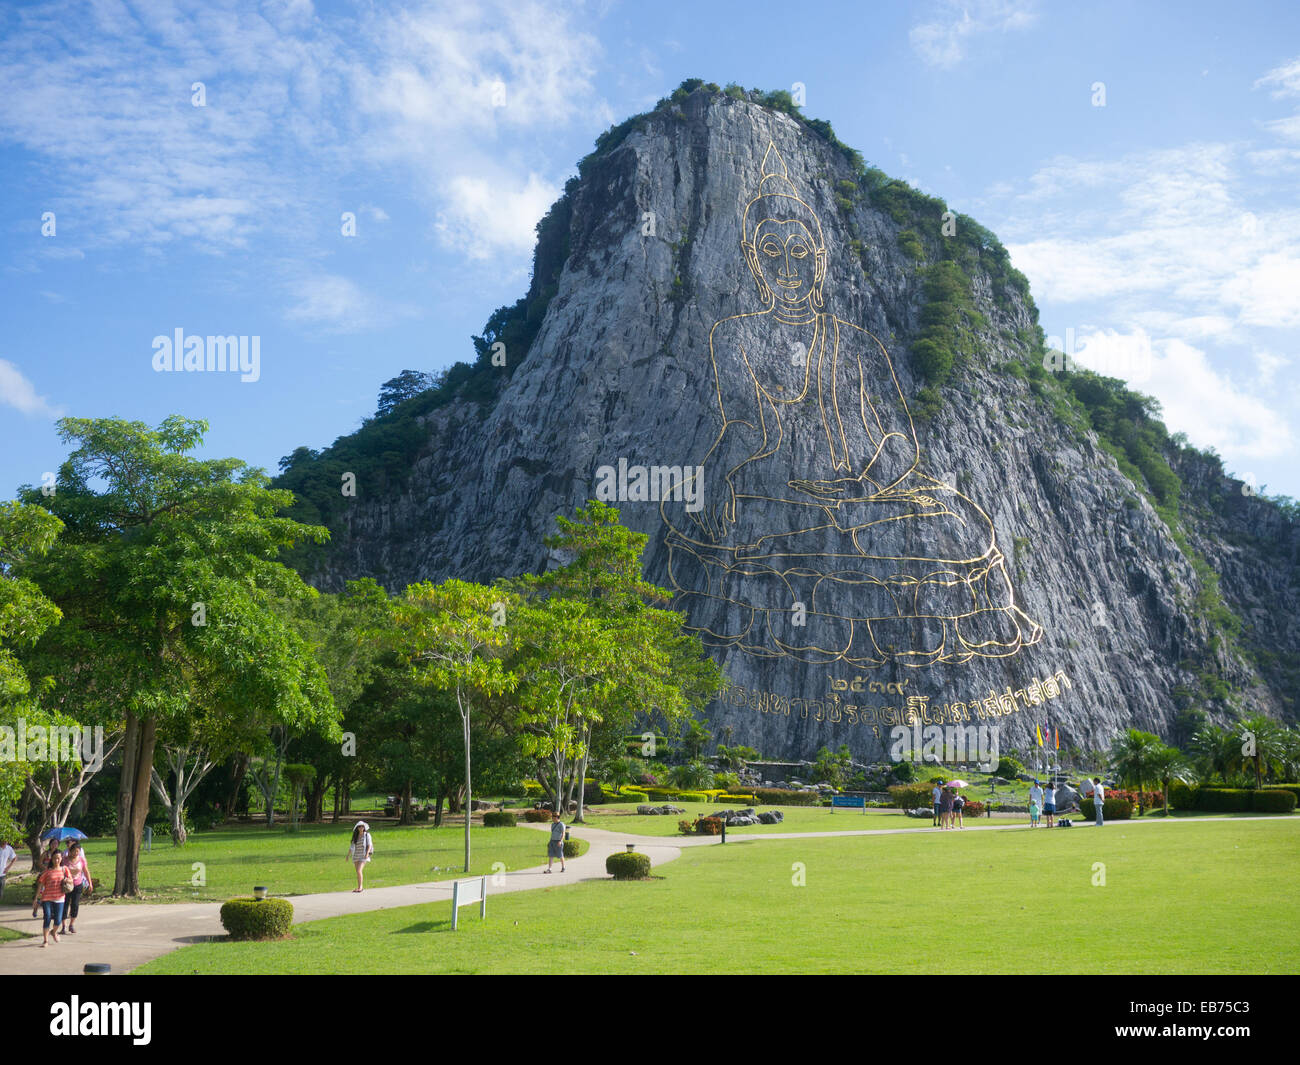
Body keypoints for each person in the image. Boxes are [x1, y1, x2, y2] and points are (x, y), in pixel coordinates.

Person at [37, 851, 72, 947]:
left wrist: (67, 880)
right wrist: (36, 899)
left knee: (58, 920)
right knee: (47, 917)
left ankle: (53, 932)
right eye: (54, 858)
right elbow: (40, 884)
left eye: (58, 858)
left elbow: (71, 880)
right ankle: (45, 940)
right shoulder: (47, 871)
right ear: (51, 859)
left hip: (59, 898)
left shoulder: (64, 869)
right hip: (47, 897)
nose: (56, 860)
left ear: (61, 859)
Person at [60, 841, 92, 934]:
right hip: (66, 886)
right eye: (74, 851)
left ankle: (71, 924)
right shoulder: (64, 860)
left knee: (75, 905)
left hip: (78, 884)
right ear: (70, 851)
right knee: (65, 905)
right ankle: (63, 926)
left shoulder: (81, 860)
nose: (76, 853)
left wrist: (90, 883)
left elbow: (86, 872)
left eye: (78, 851)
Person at [348, 821, 373, 892]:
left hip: (363, 856)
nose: (361, 828)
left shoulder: (367, 835)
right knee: (358, 872)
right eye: (359, 826)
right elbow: (352, 847)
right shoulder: (355, 836)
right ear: (357, 828)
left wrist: (367, 853)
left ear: (364, 827)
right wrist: (348, 856)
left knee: (359, 870)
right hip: (356, 855)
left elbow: (369, 844)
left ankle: (361, 887)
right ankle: (359, 887)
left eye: (362, 826)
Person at [0, 838, 15, 902]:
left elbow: (14, 857)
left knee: (0, 893)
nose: (5, 842)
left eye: (6, 841)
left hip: (2, 874)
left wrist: (8, 867)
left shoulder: (9, 849)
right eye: (4, 841)